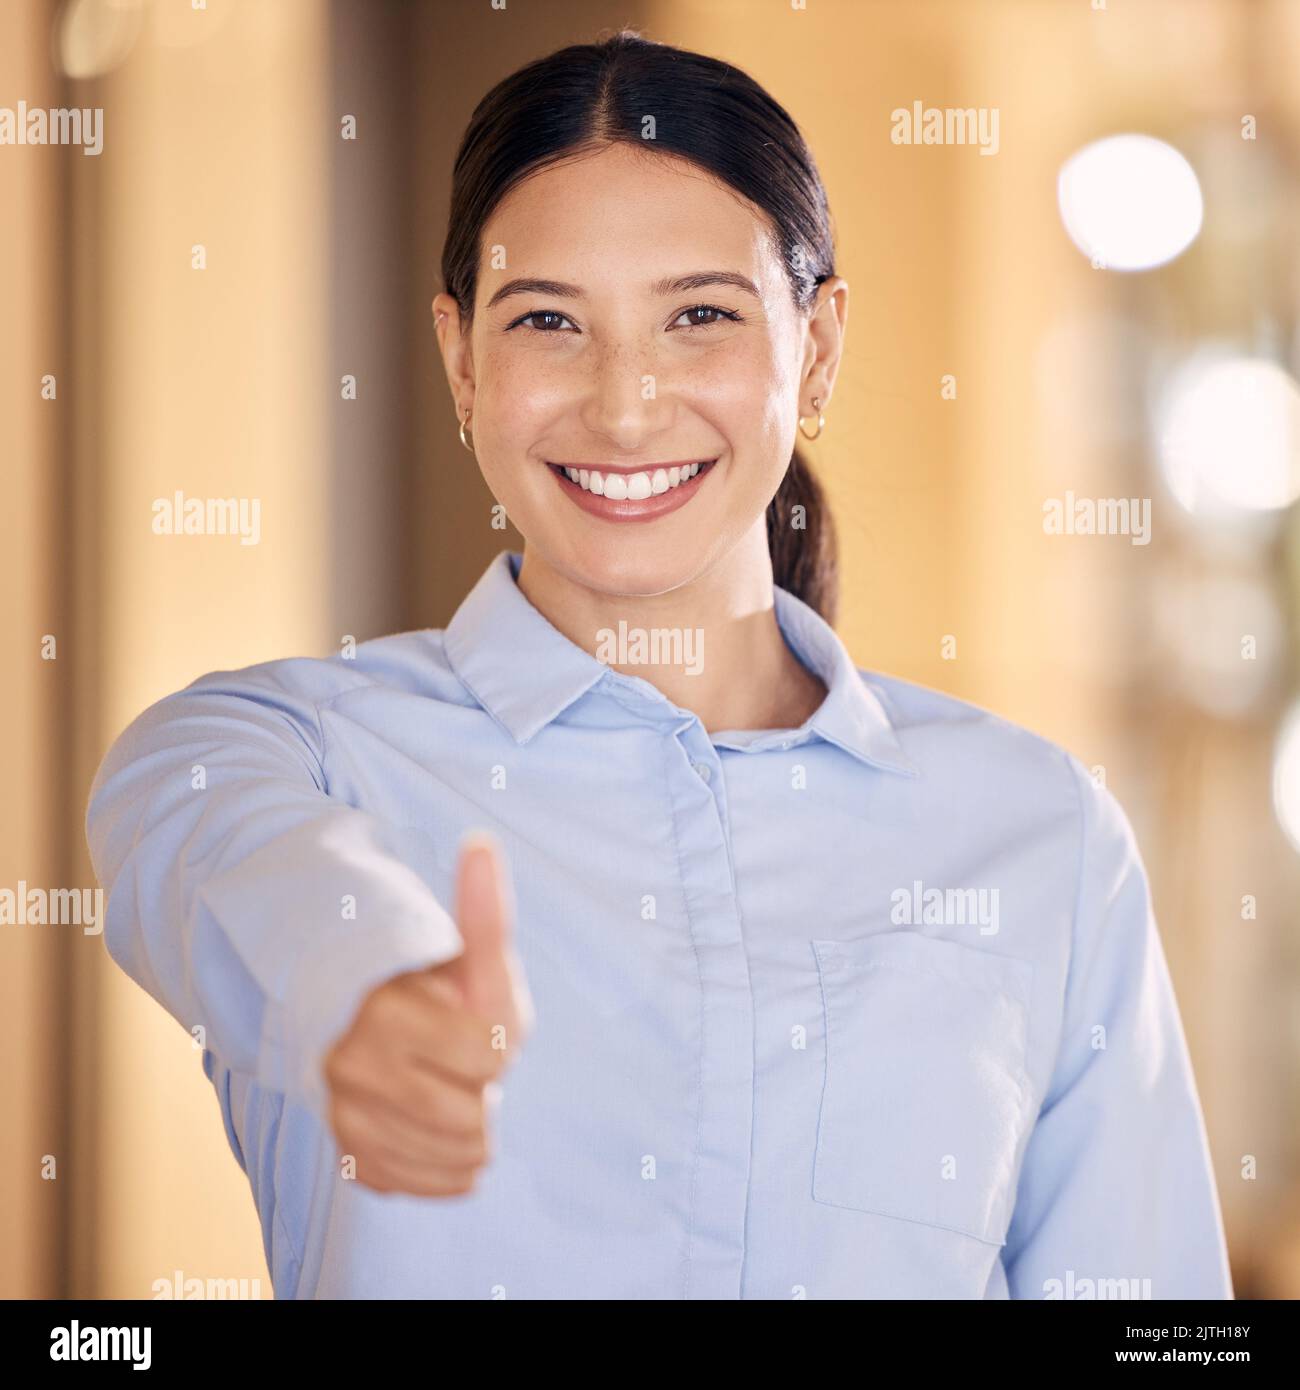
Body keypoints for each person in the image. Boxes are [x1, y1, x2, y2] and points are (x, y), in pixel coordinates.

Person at [85, 30, 1232, 1300]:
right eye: (548, 321)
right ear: (461, 360)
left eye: (699, 316)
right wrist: (360, 987)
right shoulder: (283, 747)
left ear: (819, 347)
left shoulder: (1040, 833)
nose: (624, 405)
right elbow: (213, 842)